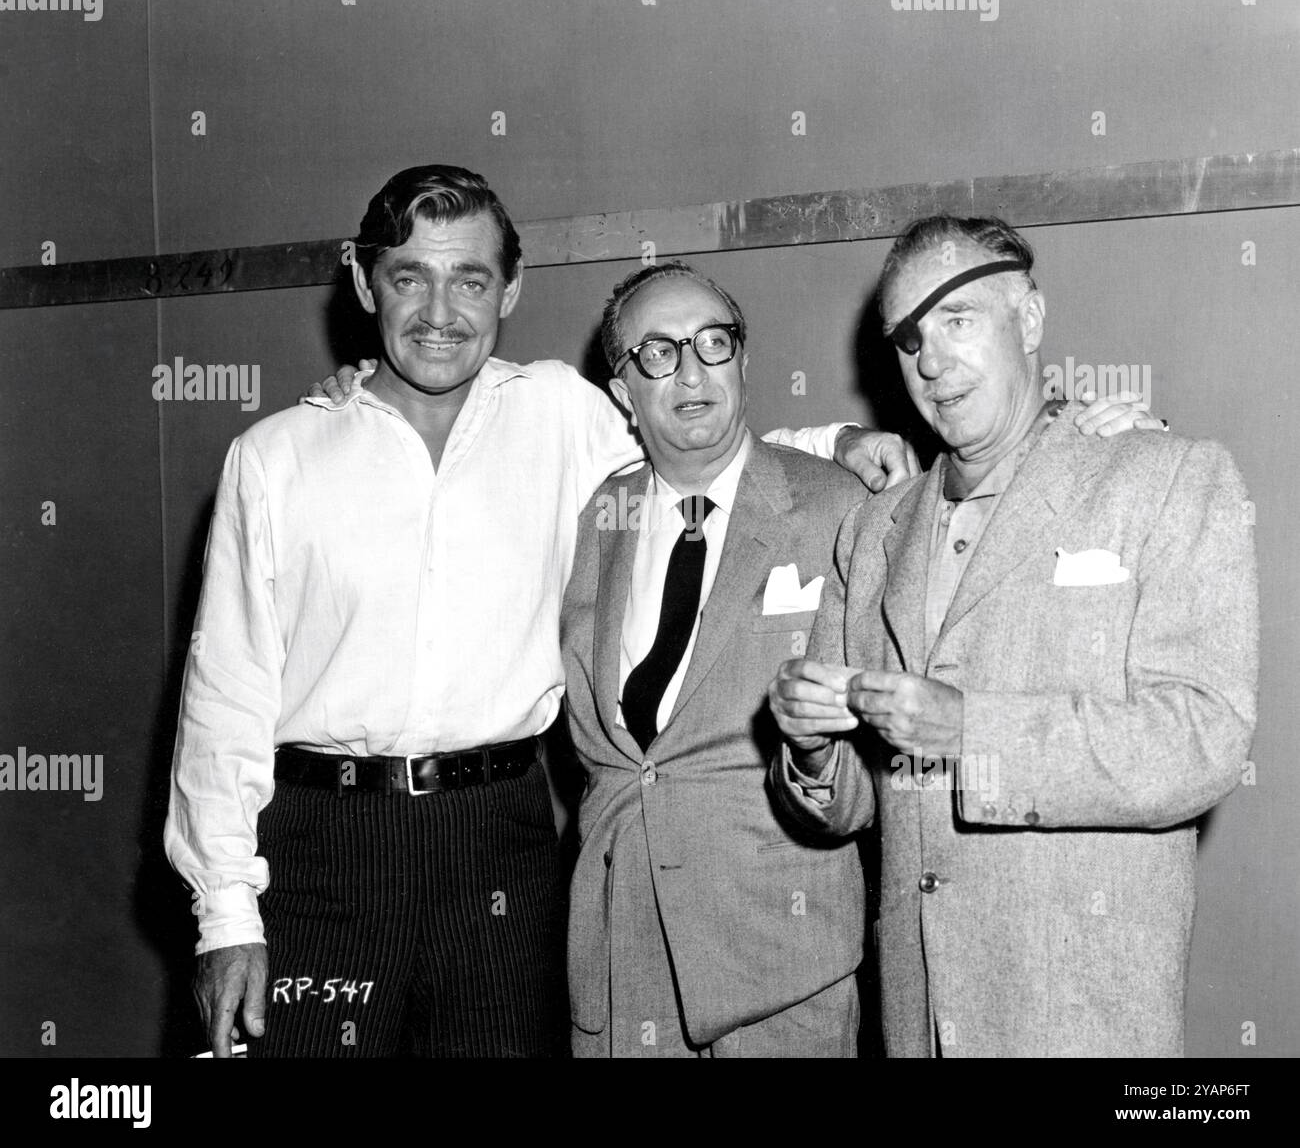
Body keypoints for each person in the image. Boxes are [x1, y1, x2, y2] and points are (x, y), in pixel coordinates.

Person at [164, 165, 918, 1058]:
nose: (440, 311)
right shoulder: (277, 458)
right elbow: (225, 698)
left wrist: (845, 443)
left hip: (503, 851)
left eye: (471, 280)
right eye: (410, 276)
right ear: (364, 282)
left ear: (510, 289)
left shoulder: (559, 413)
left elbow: (698, 450)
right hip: (325, 851)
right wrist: (225, 918)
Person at [560, 260, 1160, 1057]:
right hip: (620, 962)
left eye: (713, 343)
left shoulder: (847, 506)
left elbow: (989, 483)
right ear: (621, 391)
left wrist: (1109, 439)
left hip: (779, 976)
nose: (692, 371)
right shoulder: (595, 515)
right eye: (658, 353)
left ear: (745, 360)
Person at [768, 215, 1259, 1057]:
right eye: (911, 337)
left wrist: (972, 729)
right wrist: (811, 750)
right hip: (921, 1018)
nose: (932, 360)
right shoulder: (873, 531)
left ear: (1030, 321)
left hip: (1082, 1014)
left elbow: (1204, 740)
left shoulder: (1165, 475)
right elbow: (851, 803)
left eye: (959, 320)